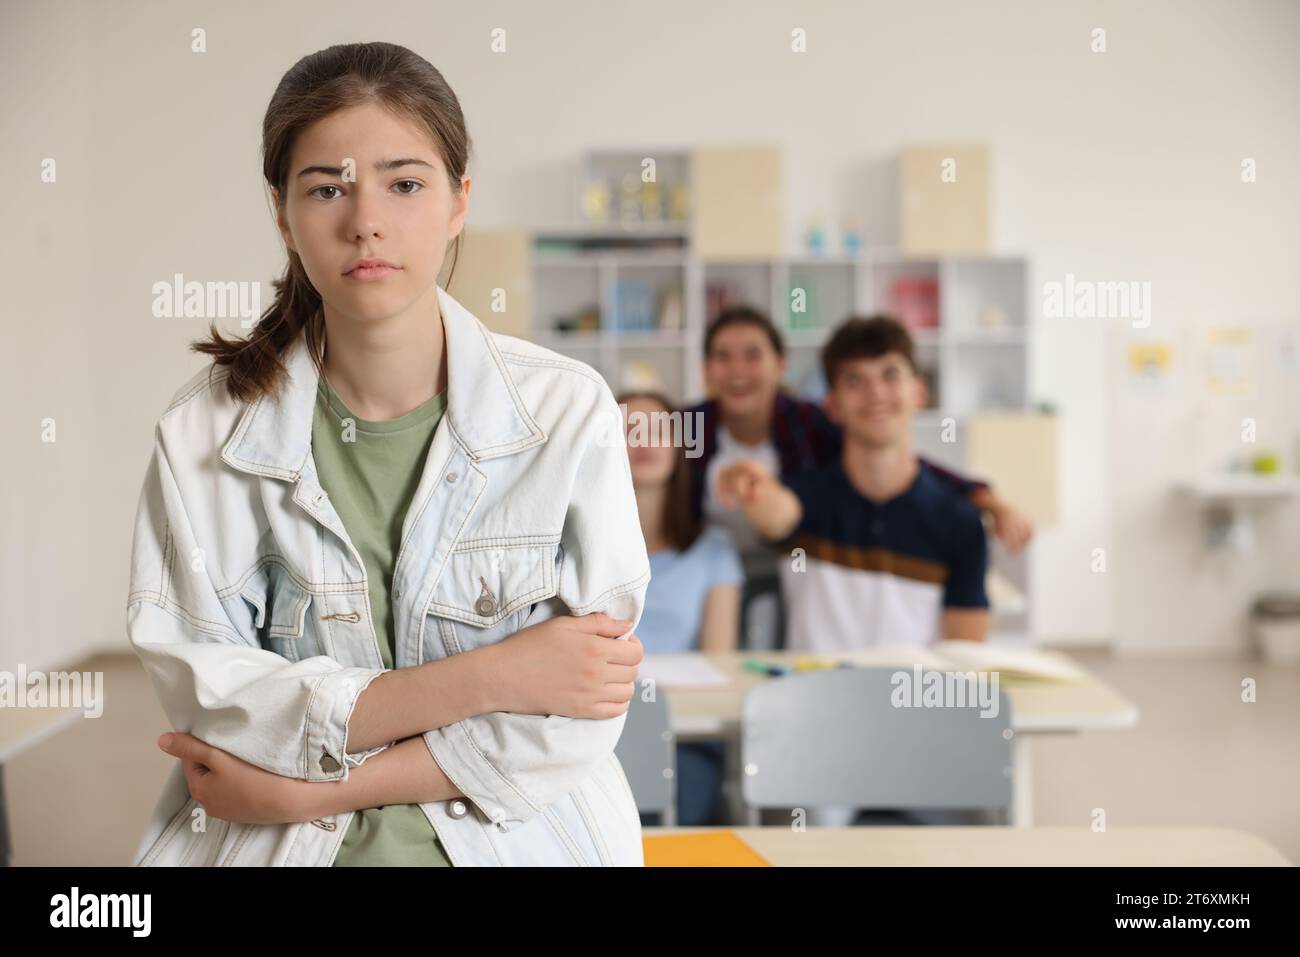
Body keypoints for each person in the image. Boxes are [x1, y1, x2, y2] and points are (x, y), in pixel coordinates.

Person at [126, 42, 649, 868]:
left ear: (458, 203)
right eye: (327, 187)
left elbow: (579, 710)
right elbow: (213, 705)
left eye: (405, 183)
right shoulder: (202, 435)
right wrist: (495, 675)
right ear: (280, 211)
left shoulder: (567, 411)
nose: (366, 220)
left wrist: (314, 789)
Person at [684, 305, 1029, 649]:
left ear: (918, 392)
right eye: (855, 380)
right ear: (833, 405)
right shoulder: (690, 430)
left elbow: (964, 659)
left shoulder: (805, 424)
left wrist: (985, 498)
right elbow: (780, 511)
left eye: (890, 375)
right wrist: (758, 489)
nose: (875, 393)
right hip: (711, 582)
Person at [619, 391, 742, 825]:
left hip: (687, 736)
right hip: (599, 733)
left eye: (657, 431)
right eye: (628, 430)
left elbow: (717, 664)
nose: (643, 442)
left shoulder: (715, 550)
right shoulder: (571, 548)